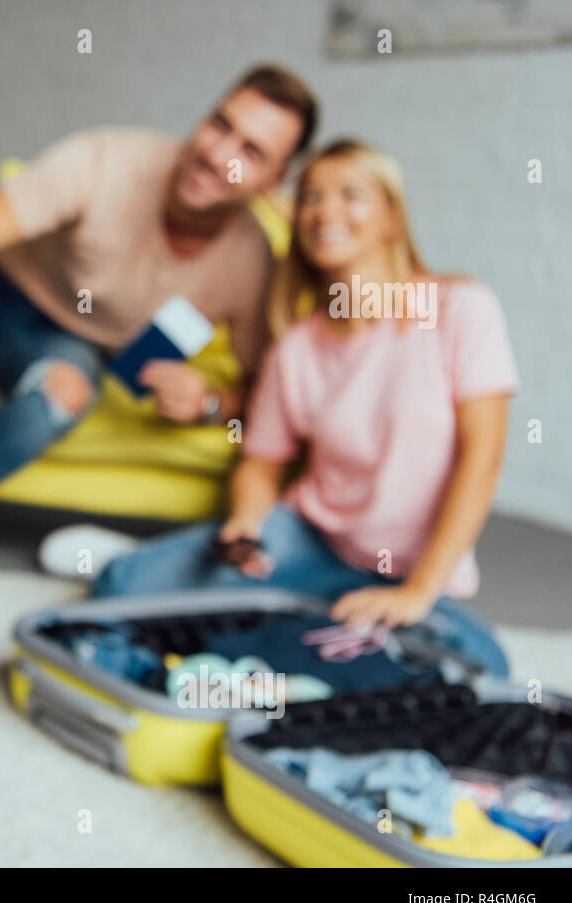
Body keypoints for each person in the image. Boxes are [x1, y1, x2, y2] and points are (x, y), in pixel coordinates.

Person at [0, 64, 318, 533]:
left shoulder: (251, 262)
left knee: (63, 396)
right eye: (219, 124)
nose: (218, 154)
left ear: (277, 182)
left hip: (70, 342)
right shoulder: (105, 160)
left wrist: (210, 402)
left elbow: (266, 390)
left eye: (250, 152)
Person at [85, 139, 516, 677]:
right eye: (310, 197)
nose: (323, 211)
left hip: (416, 576)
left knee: (477, 668)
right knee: (121, 586)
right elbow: (261, 463)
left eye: (349, 195)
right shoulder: (296, 349)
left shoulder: (461, 309)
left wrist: (418, 590)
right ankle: (290, 635)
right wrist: (246, 521)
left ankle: (275, 639)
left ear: (390, 217)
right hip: (310, 544)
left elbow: (484, 456)